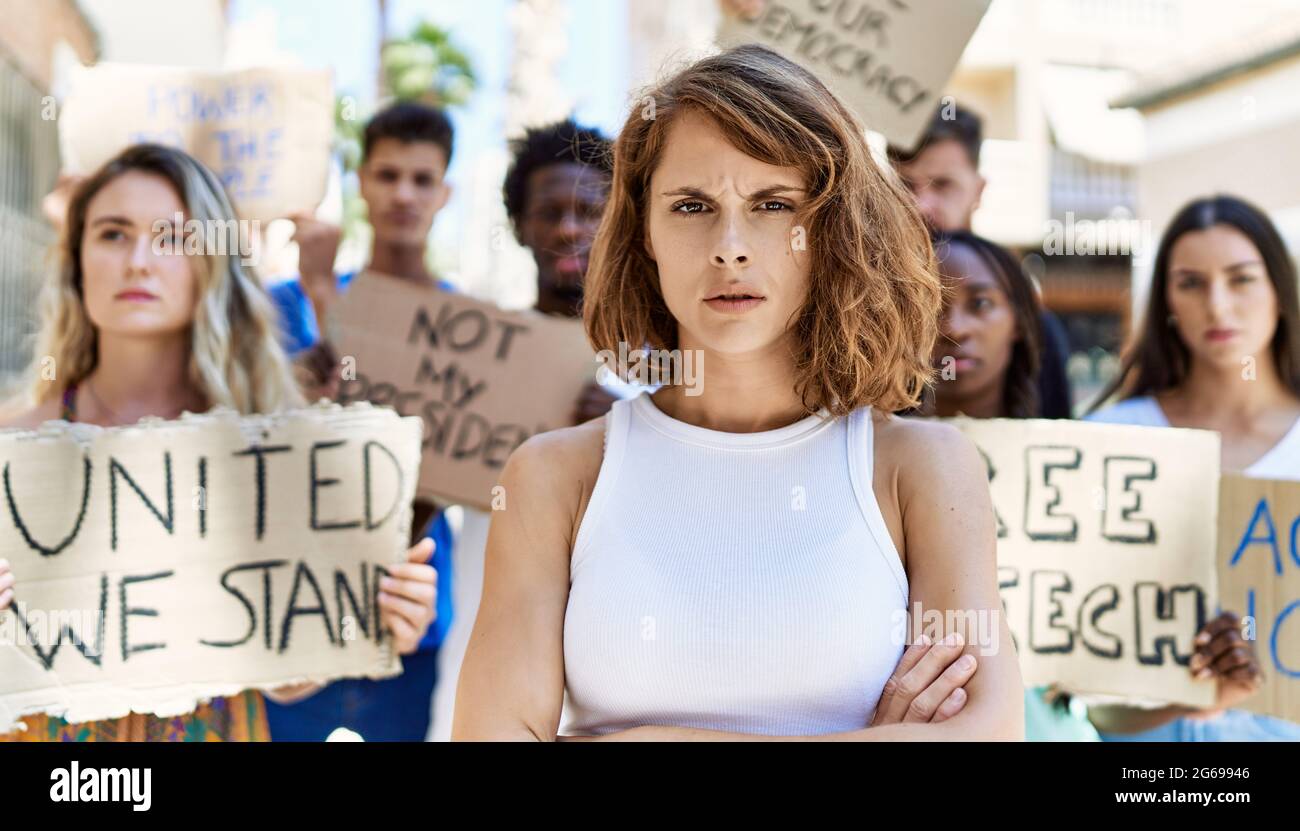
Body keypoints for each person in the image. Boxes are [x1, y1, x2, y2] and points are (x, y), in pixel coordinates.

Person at [453, 45, 1024, 741]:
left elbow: (988, 734)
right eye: (691, 205)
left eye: (773, 204)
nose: (730, 246)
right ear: (644, 232)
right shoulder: (552, 477)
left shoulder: (925, 469)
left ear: (831, 230)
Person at [0, 143, 436, 741]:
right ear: (76, 260)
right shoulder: (10, 450)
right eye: (112, 234)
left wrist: (376, 615)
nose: (139, 261)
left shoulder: (273, 449)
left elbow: (285, 679)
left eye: (172, 237)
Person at [265, 102, 455, 741]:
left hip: (407, 621)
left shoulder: (467, 327)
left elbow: (403, 431)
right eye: (387, 174)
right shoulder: (280, 305)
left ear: (445, 192)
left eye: (423, 178)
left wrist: (325, 293)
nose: (404, 193)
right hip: (285, 614)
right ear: (361, 183)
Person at [1086, 194, 1300, 741]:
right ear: (1166, 302)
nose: (1218, 306)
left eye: (1242, 279)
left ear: (1280, 289)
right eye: (1191, 283)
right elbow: (1080, 687)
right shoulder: (1113, 437)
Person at [925, 229, 1101, 741]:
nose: (955, 327)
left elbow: (1108, 702)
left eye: (981, 304)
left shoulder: (1083, 474)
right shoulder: (860, 459)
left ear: (1021, 324)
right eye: (935, 304)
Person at [889, 104, 1075, 419]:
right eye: (906, 186)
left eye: (943, 185)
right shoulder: (859, 312)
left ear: (979, 190)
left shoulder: (1037, 329)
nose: (921, 205)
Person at [503, 118, 631, 420]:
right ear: (519, 228)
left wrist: (634, 428)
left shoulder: (666, 365)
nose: (568, 230)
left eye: (589, 211)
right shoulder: (485, 353)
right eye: (549, 213)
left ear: (617, 224)